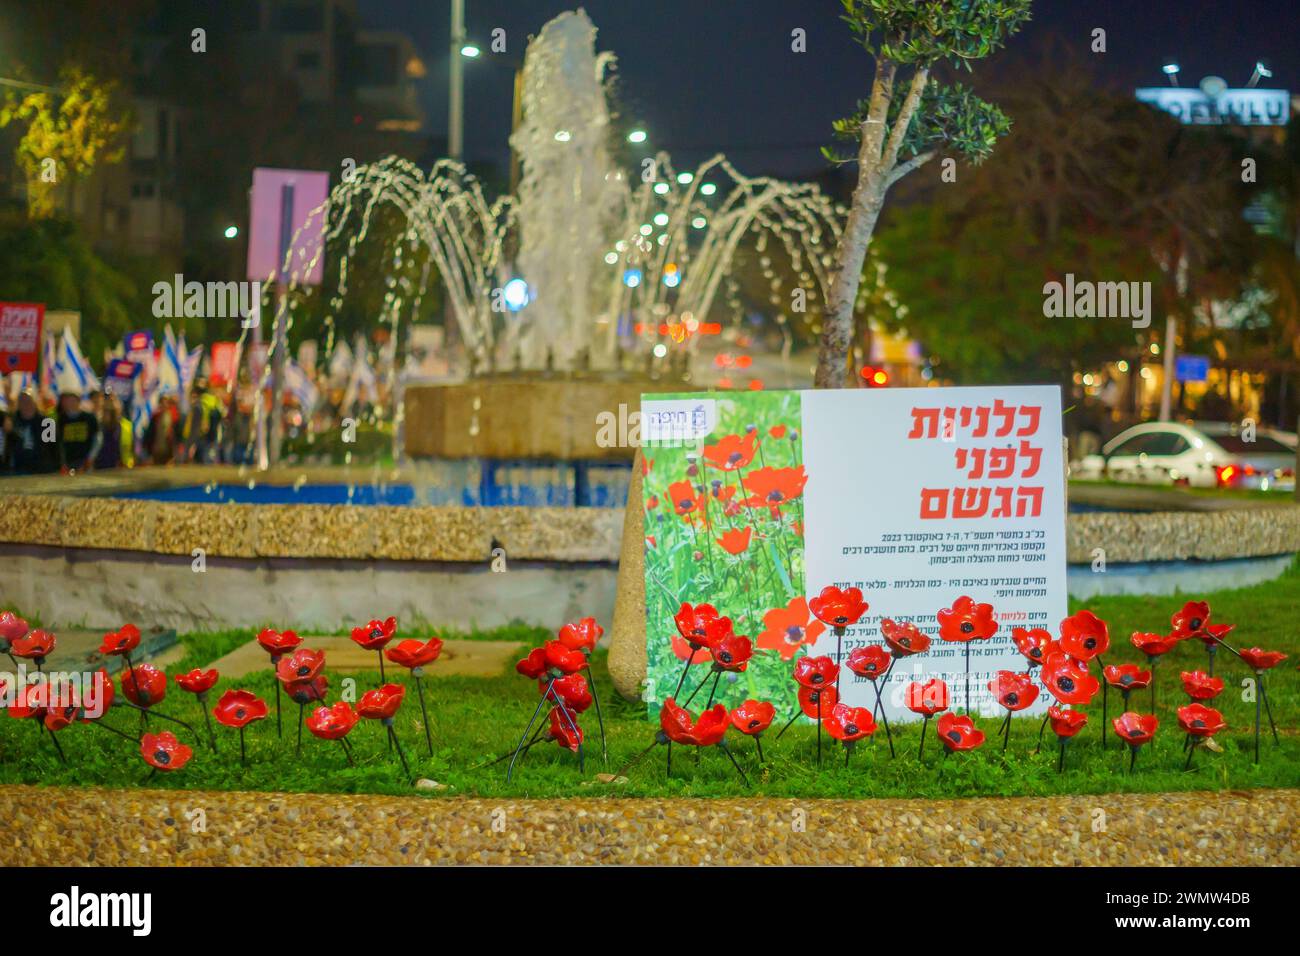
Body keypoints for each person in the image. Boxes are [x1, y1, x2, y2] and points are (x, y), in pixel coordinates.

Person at [5, 390, 56, 474]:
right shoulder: (12, 422)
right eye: (22, 402)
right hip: (18, 470)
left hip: (41, 470)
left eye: (29, 401)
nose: (26, 405)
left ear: (34, 403)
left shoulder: (47, 423)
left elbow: (53, 448)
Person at [56, 391, 99, 474]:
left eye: (73, 401)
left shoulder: (89, 418)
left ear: (79, 401)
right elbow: (59, 443)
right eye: (67, 401)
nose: (70, 404)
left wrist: (90, 458)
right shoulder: (61, 420)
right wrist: (62, 462)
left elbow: (97, 439)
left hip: (85, 461)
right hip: (68, 462)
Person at [93, 392, 130, 470]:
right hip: (98, 468)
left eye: (114, 400)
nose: (110, 402)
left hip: (121, 467)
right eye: (107, 399)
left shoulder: (126, 426)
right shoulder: (96, 423)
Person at [143, 394, 180, 466]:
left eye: (166, 402)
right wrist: (149, 451)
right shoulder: (155, 417)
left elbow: (177, 435)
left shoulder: (174, 416)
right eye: (162, 402)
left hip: (169, 452)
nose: (164, 404)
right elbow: (150, 435)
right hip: (157, 451)